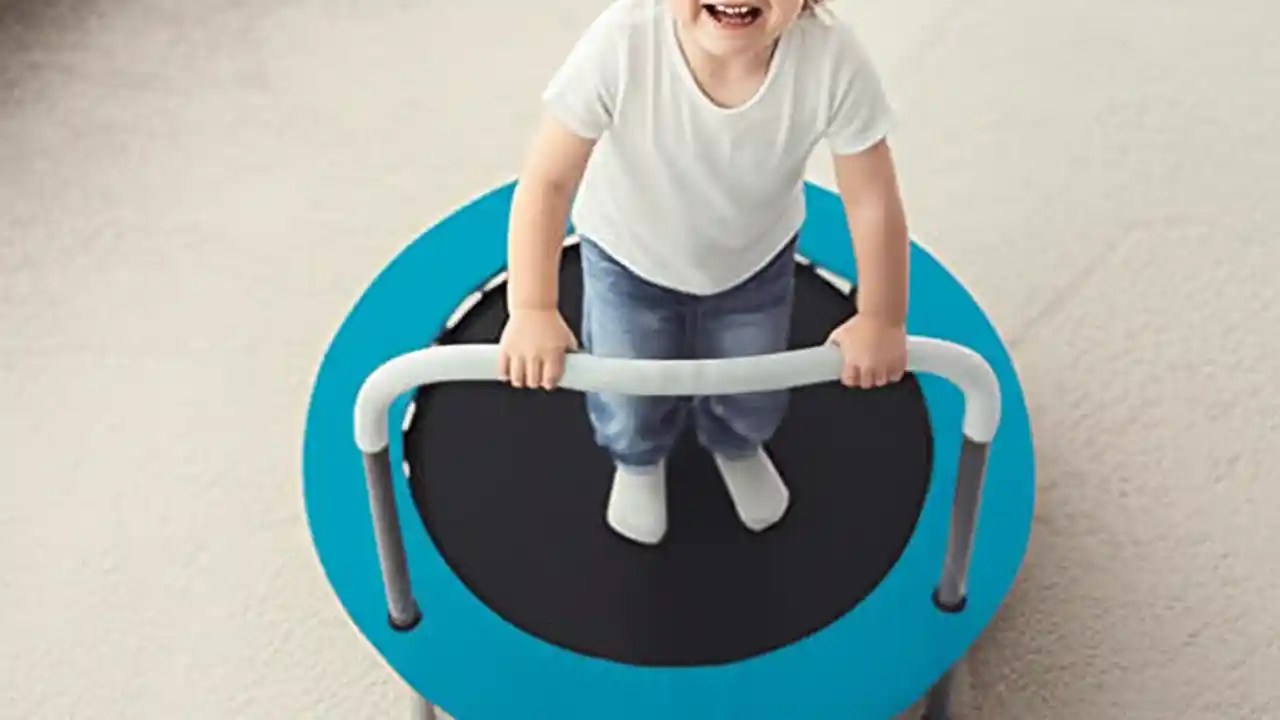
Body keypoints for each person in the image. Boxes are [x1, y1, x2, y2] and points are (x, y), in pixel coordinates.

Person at [497, 0, 910, 545]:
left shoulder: (831, 57)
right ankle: (638, 462)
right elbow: (546, 181)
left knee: (754, 382)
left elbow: (872, 199)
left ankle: (737, 444)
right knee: (629, 391)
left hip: (754, 264)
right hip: (629, 261)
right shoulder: (622, 41)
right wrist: (531, 308)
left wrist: (881, 317)